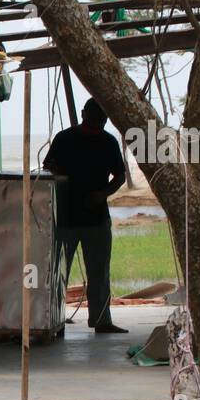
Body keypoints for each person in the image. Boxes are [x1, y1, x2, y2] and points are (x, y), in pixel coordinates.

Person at [43, 98, 127, 333]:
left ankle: (101, 320)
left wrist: (103, 194)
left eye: (103, 117)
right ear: (84, 113)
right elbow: (48, 165)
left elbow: (119, 176)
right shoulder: (64, 138)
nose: (100, 120)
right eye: (96, 115)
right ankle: (52, 321)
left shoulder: (109, 142)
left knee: (100, 272)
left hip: (97, 218)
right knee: (59, 272)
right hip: (66, 218)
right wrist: (60, 174)